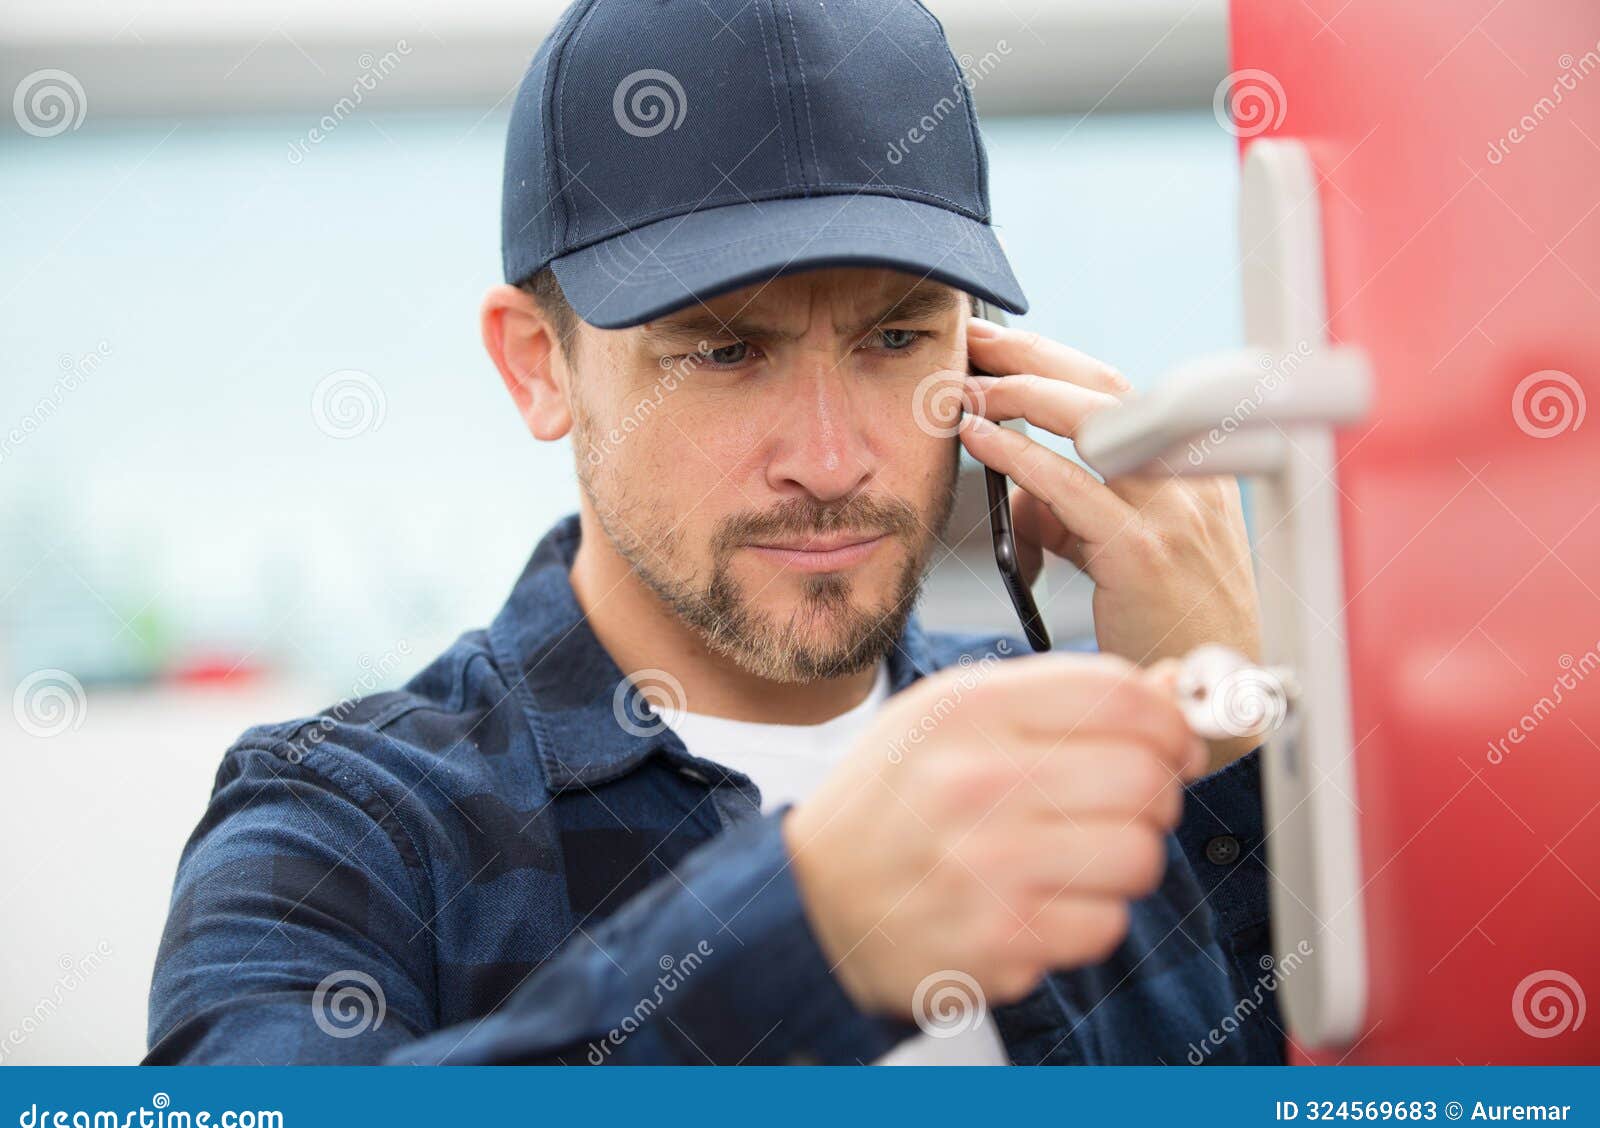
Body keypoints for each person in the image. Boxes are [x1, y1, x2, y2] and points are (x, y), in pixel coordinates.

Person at [147, 0, 1281, 1065]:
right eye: (726, 351)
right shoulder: (350, 826)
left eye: (895, 338)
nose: (831, 460)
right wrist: (809, 932)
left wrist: (1251, 758)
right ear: (539, 365)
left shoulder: (1124, 749)